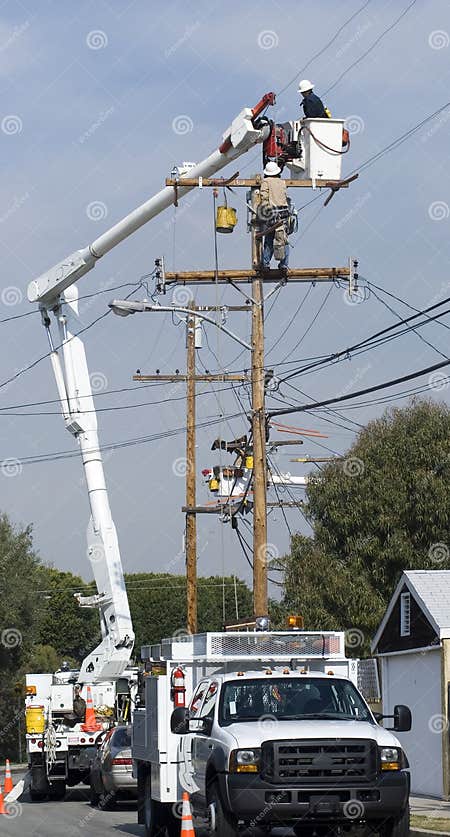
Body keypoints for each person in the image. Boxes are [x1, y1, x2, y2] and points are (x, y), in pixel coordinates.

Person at [260, 161, 289, 272]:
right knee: (283, 239)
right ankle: (284, 265)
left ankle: (266, 264)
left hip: (273, 213)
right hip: (284, 213)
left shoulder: (266, 182)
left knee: (269, 239)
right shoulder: (282, 182)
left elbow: (264, 198)